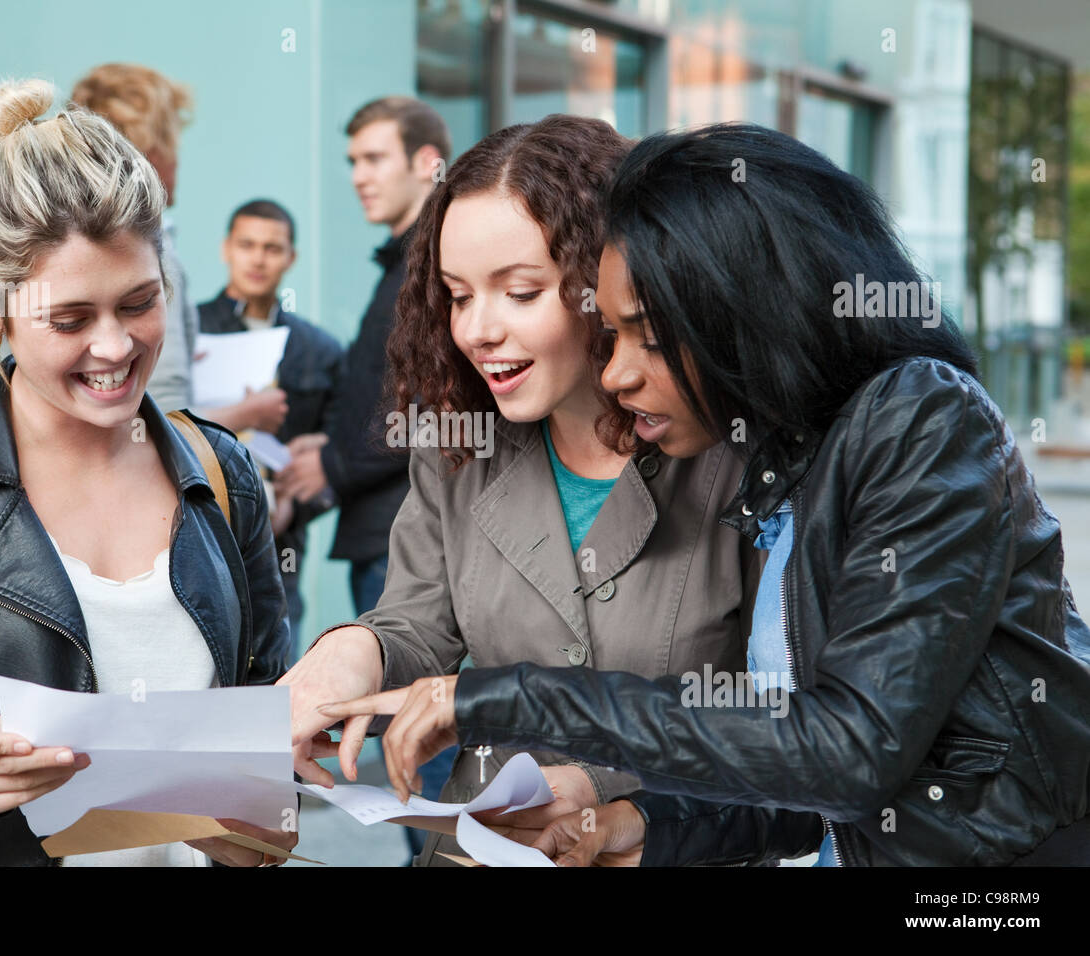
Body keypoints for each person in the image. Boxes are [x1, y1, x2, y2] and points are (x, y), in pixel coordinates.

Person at [324, 123, 1090, 867]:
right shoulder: (793, 456)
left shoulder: (920, 417)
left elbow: (851, 753)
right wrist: (639, 825)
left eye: (649, 337)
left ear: (747, 312)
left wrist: (504, 697)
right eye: (615, 336)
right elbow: (798, 772)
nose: (620, 375)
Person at [0, 79, 293, 867]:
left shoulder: (223, 472)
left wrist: (261, 825)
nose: (114, 348)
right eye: (69, 320)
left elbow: (269, 748)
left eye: (139, 303)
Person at [281, 115, 762, 866]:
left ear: (611, 280)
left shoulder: (728, 453)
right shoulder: (458, 446)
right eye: (457, 295)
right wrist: (353, 653)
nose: (478, 329)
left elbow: (787, 726)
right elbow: (417, 620)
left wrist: (616, 799)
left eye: (521, 292)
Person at [275, 96, 450, 617]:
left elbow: (432, 404)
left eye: (374, 159)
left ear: (425, 163)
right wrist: (331, 443)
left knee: (396, 699)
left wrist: (332, 463)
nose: (358, 176)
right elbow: (390, 389)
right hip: (387, 531)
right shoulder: (404, 263)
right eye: (353, 162)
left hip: (405, 535)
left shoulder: (438, 261)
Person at [197, 199, 343, 648]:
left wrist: (295, 507)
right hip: (198, 524)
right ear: (226, 249)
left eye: (272, 248)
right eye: (247, 245)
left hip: (281, 547)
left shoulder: (320, 349)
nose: (258, 258)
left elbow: (337, 453)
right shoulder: (185, 330)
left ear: (291, 257)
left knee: (276, 670)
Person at [71, 63, 198, 414]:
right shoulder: (147, 250)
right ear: (152, 148)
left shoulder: (59, 238)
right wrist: (249, 413)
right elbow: (168, 407)